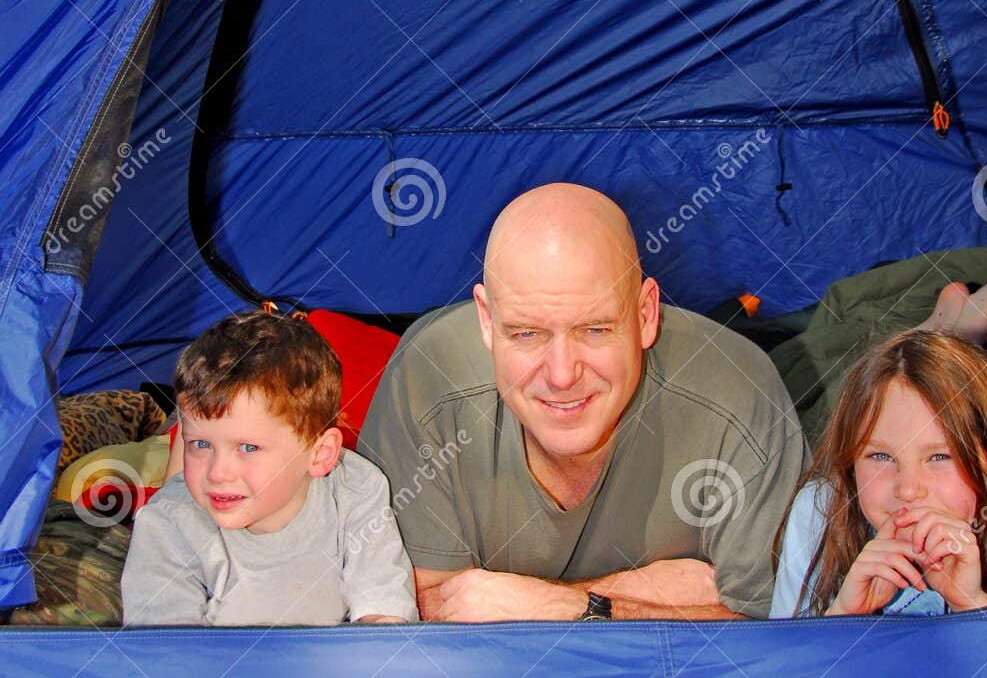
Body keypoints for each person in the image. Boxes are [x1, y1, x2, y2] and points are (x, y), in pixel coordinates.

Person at [359, 182, 808, 622]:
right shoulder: (430, 379)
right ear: (486, 320)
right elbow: (417, 616)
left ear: (645, 314)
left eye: (595, 329)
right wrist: (640, 597)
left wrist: (564, 606)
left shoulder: (737, 397)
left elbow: (774, 640)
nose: (561, 375)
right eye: (526, 333)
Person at [770, 327, 987, 618]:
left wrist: (970, 604)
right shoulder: (819, 512)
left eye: (940, 456)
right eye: (880, 456)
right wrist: (844, 616)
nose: (908, 489)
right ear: (849, 461)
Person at [121, 311, 417, 627]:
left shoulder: (355, 489)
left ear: (320, 455)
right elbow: (164, 653)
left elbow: (383, 609)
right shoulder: (170, 520)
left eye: (248, 448)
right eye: (201, 445)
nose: (218, 473)